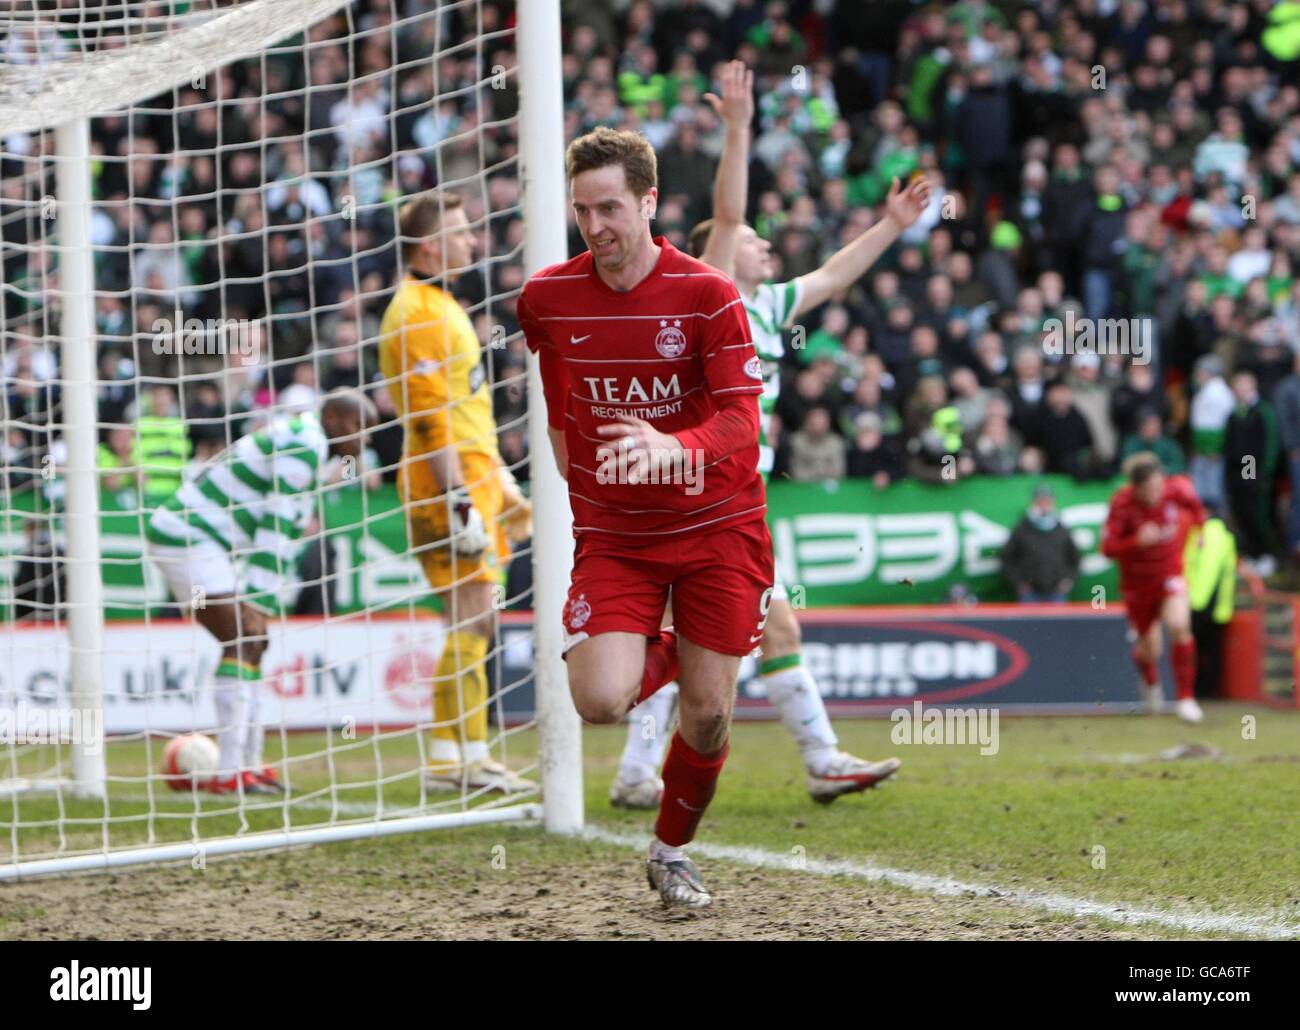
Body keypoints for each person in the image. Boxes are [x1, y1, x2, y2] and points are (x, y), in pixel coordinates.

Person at [608, 62, 916, 814]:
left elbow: (837, 276)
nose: (766, 248)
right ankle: (815, 759)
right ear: (721, 247)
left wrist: (893, 225)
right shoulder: (709, 294)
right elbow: (728, 205)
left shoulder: (771, 306)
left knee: (743, 629)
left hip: (737, 490)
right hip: (694, 488)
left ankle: (647, 770)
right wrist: (740, 130)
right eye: (752, 240)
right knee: (744, 627)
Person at [518, 123, 773, 909]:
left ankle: (670, 852)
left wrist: (673, 447)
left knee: (709, 714)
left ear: (649, 203)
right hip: (618, 536)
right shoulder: (546, 300)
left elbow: (743, 422)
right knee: (598, 700)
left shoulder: (707, 294)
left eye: (611, 209)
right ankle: (659, 650)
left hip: (718, 525)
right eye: (582, 210)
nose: (595, 227)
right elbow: (560, 392)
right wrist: (577, 466)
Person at [379, 191, 534, 795]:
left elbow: (461, 415)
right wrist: (462, 500)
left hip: (471, 477)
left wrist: (494, 476)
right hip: (445, 485)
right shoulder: (417, 311)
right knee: (471, 618)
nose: (472, 241)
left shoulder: (439, 304)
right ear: (428, 245)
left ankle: (455, 754)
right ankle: (464, 758)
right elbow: (429, 422)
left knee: (472, 620)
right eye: (461, 231)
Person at [144, 394, 374, 793]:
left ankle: (247, 765)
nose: (364, 442)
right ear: (334, 417)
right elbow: (277, 526)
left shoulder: (306, 442)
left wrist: (258, 606)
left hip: (206, 541)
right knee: (244, 635)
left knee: (254, 640)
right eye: (360, 428)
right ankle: (231, 772)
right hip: (185, 536)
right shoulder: (304, 444)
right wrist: (260, 601)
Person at [1101, 454, 1207, 724]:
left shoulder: (1175, 490)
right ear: (1136, 489)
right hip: (1137, 585)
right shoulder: (1121, 504)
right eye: (1150, 490)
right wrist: (1136, 542)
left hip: (1169, 574)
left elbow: (1195, 507)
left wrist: (1201, 530)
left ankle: (1185, 698)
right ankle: (1150, 682)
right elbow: (1108, 548)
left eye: (1160, 487)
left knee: (1179, 625)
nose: (1158, 494)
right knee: (1150, 649)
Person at [1183, 505, 1236, 699]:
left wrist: (1195, 603)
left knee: (1200, 650)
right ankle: (1205, 690)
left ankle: (1202, 690)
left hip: (1204, 604)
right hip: (1213, 605)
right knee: (1210, 650)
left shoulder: (1211, 533)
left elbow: (1208, 571)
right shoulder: (1212, 533)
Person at [1001, 484, 1081, 602]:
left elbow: (1075, 557)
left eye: (1047, 501)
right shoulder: (1022, 528)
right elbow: (1007, 558)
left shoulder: (1061, 529)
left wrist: (1068, 580)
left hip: (1056, 592)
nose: (1044, 505)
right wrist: (1019, 583)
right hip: (1030, 593)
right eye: (1040, 501)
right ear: (1034, 502)